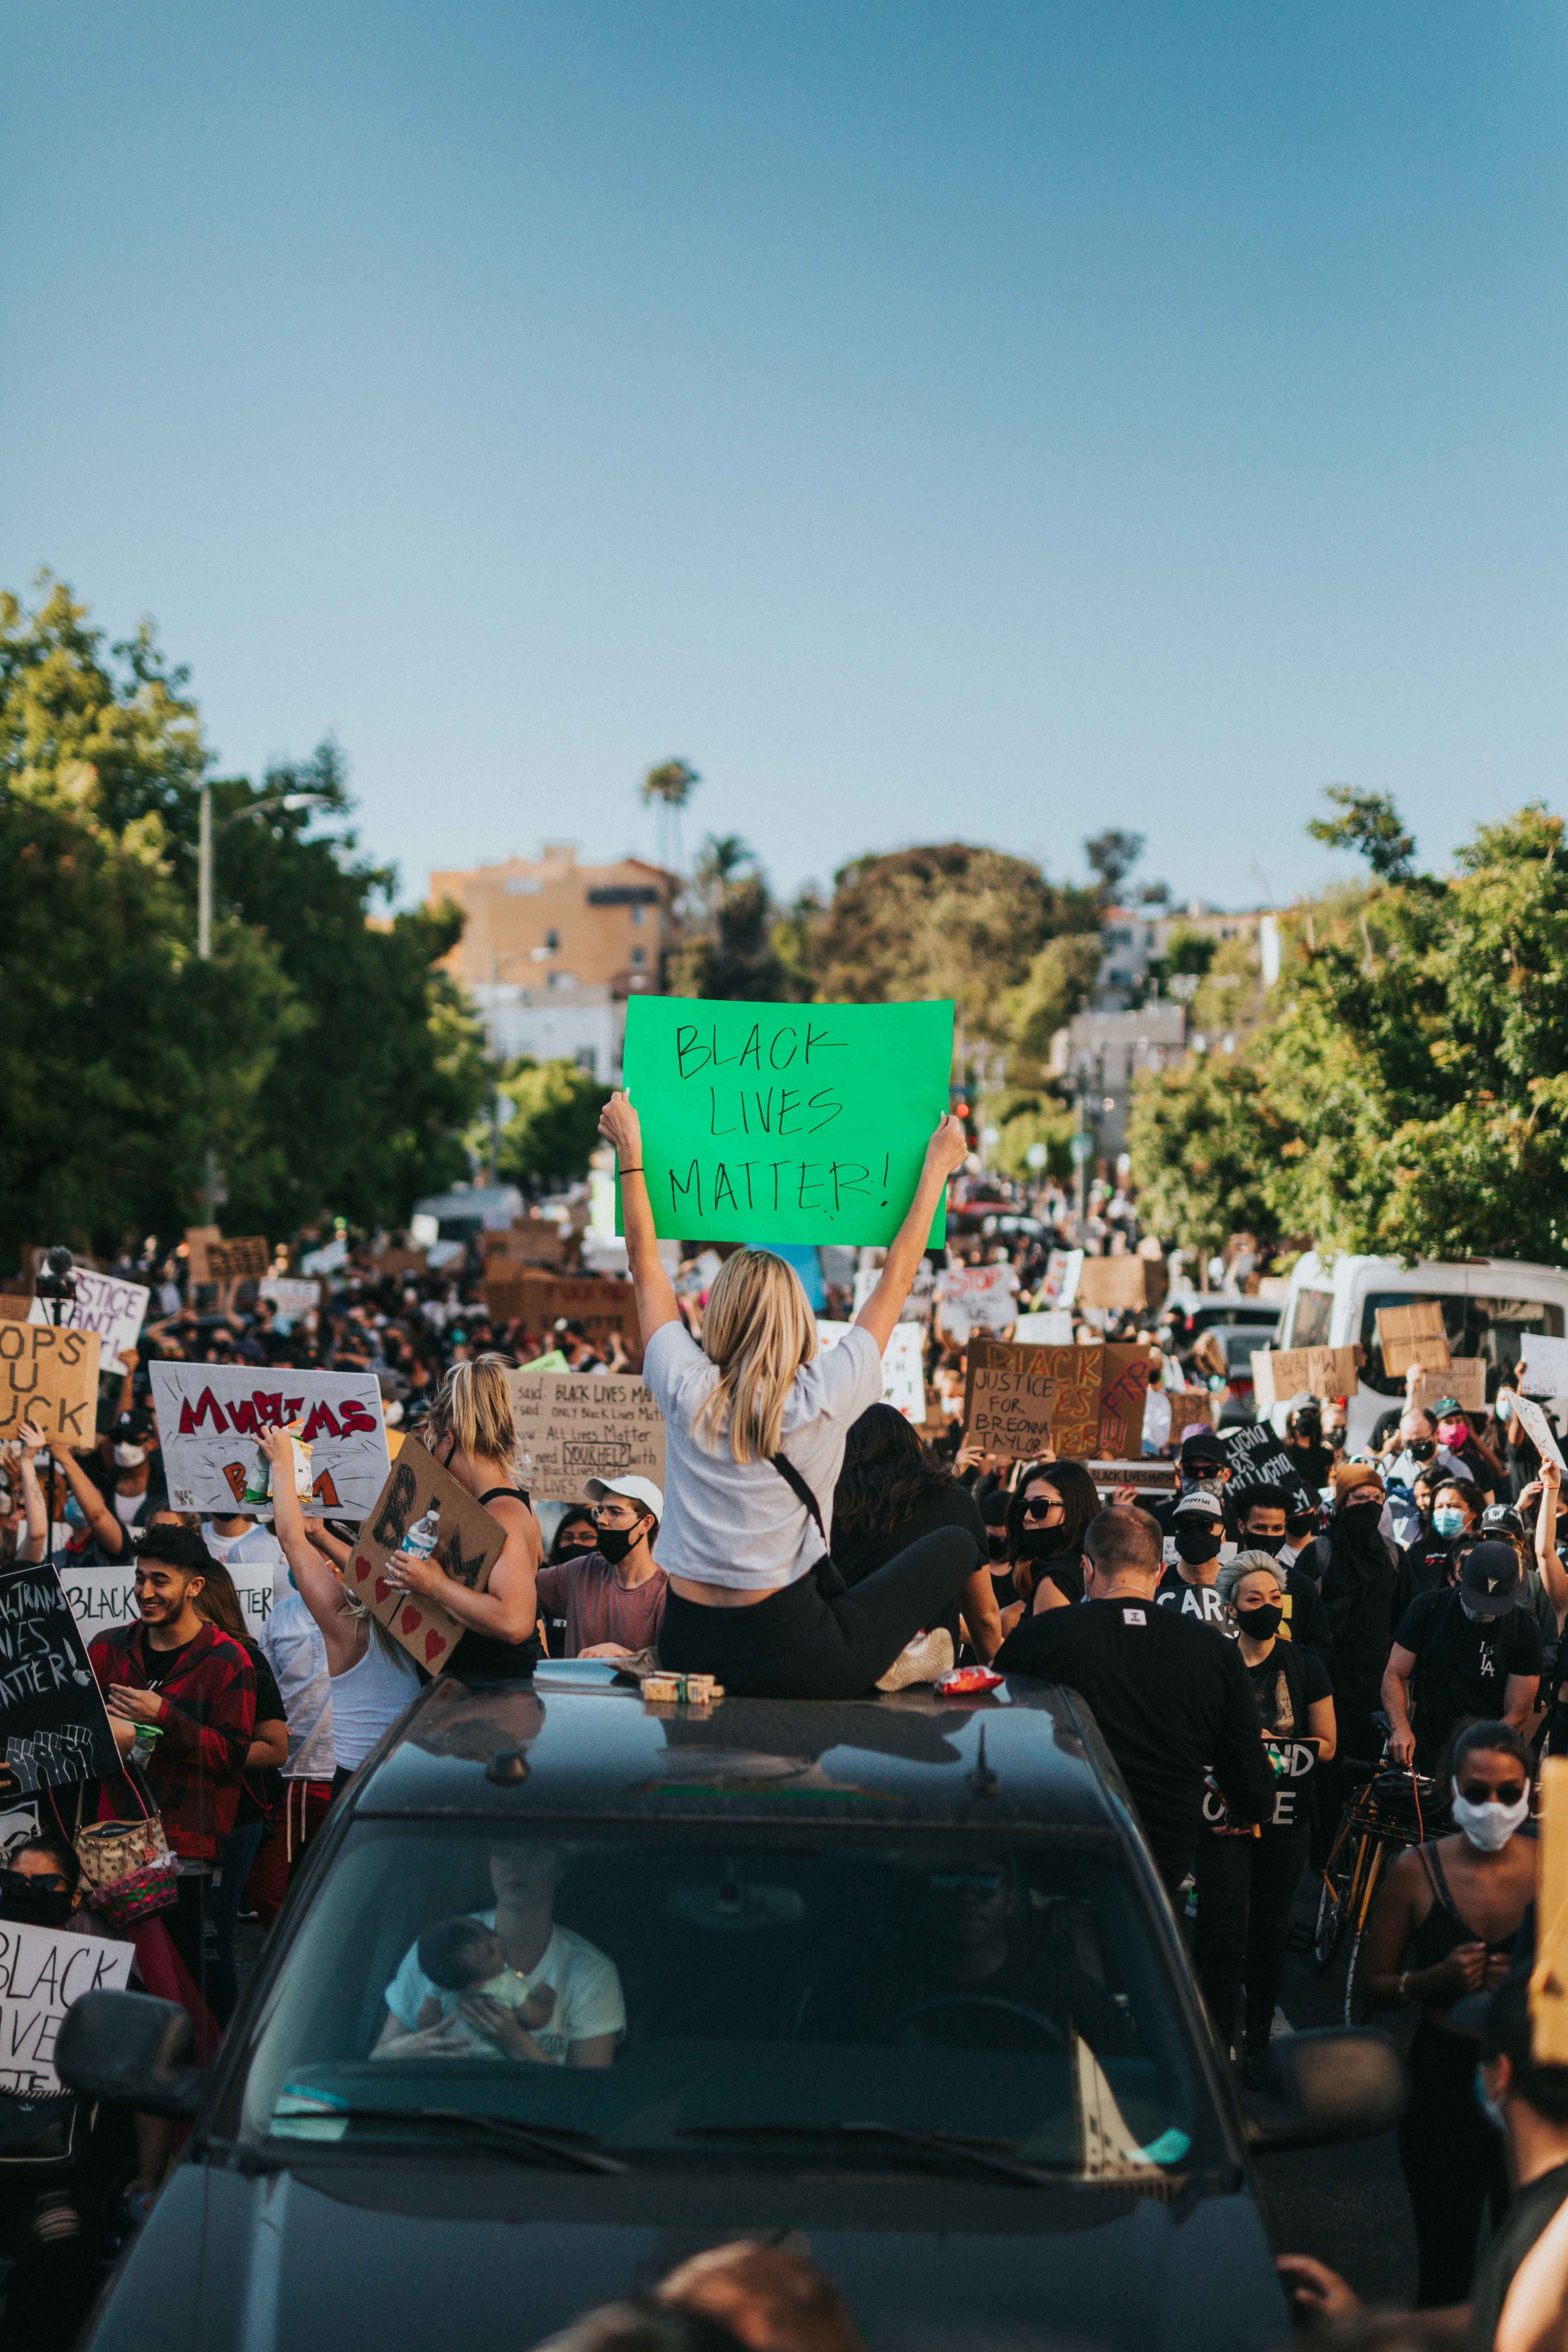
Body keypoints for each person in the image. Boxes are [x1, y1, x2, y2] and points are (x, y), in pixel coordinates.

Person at [603, 1087, 980, 1698]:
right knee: (958, 1541)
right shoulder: (827, 1391)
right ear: (799, 1321)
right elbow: (898, 1275)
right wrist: (937, 1168)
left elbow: (645, 1261)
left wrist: (631, 1150)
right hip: (797, 1655)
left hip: (686, 1648)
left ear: (717, 1316)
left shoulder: (683, 1382)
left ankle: (888, 1653)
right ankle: (894, 1656)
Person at [993, 1505, 1276, 1899]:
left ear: (1087, 1570)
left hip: (1059, 1841)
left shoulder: (1038, 1636)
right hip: (1159, 1859)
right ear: (1160, 1573)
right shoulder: (1214, 1650)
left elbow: (997, 1743)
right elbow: (1251, 1784)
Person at [1357, 1720, 1539, 2308]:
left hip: (1530, 2084)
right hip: (1442, 2080)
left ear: (1529, 1792)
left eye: (1508, 1793)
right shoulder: (1415, 1871)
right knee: (1445, 2270)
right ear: (1452, 1788)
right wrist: (1428, 1981)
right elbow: (1375, 1988)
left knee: (1530, 2275)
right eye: (1477, 1791)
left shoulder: (1554, 1871)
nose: (1493, 1807)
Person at [87, 1525, 256, 2003]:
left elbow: (231, 1757)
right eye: (140, 1578)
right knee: (116, 1986)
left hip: (184, 1851)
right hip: (109, 1848)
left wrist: (162, 1718)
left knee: (177, 1994)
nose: (145, 1592)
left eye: (159, 1581)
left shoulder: (228, 1660)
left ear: (195, 1586)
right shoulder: (106, 1648)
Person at [1192, 1557, 1335, 2086]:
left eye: (1275, 1599)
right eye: (1255, 1601)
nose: (1268, 1608)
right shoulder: (1212, 1663)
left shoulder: (1306, 1666)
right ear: (1231, 1609)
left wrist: (1282, 1748)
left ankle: (1257, 2040)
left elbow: (1328, 1745)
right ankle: (1215, 2041)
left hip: (1285, 1818)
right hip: (1225, 1817)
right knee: (1223, 1933)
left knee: (1270, 1934)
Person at [261, 1425, 422, 1783]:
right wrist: (320, 1534)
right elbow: (376, 1576)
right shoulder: (433, 1626)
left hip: (355, 1784)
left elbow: (290, 1539)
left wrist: (283, 1462)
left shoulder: (345, 1626)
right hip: (416, 1780)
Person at [374, 1843, 624, 2066]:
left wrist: (515, 2041)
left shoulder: (591, 1972)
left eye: (532, 1853)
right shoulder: (438, 1948)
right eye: (503, 1853)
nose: (515, 1865)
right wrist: (401, 2058)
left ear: (559, 1869)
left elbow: (585, 2097)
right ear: (490, 1865)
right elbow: (379, 2057)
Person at [380, 1355, 544, 1680]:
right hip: (478, 1701)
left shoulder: (503, 1513)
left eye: (434, 1444)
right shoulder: (498, 1505)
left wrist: (436, 1585)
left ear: (449, 1439)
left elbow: (515, 1622)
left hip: (493, 1706)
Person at [187, 1561, 288, 2023]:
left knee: (212, 1938)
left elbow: (276, 1749)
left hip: (234, 1817)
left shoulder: (245, 1658)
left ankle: (221, 2053)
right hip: (177, 1815)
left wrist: (193, 1747)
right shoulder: (162, 1654)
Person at [830, 1404, 1000, 1660]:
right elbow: (984, 1617)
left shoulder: (827, 1503)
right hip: (930, 1676)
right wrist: (1002, 1683)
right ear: (914, 1446)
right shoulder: (953, 1502)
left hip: (842, 1663)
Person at [1382, 1540, 1543, 1774]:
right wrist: (1400, 1727)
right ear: (1462, 1575)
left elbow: (1517, 1715)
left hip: (1488, 1754)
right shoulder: (1429, 1607)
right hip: (1426, 1746)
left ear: (1516, 1586)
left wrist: (1477, 1756)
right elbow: (1395, 1674)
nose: (1481, 1610)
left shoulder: (1525, 1631)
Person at [248, 1544, 336, 1922]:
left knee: (335, 1890)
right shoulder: (280, 1617)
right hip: (289, 1773)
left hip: (344, 1773)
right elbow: (264, 1688)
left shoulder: (365, 1612)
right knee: (269, 1895)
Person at [375, 1913, 563, 2061]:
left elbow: (427, 2019)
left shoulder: (439, 1984)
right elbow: (535, 2019)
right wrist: (547, 1999)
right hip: (495, 2067)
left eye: (490, 1932)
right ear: (476, 1986)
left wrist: (438, 2035)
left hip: (454, 2063)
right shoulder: (506, 1984)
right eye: (491, 1951)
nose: (499, 1941)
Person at [1317, 1462, 1401, 1770]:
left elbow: (1407, 1623)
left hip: (1379, 1690)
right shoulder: (1321, 1552)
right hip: (1329, 1688)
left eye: (1376, 1497)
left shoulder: (1393, 1555)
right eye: (1359, 1497)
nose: (1369, 1505)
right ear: (1342, 1504)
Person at [535, 1475, 669, 1658]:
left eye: (615, 1512)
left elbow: (677, 1668)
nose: (601, 1520)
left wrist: (622, 1654)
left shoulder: (667, 1594)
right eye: (601, 1511)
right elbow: (521, 1588)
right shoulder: (582, 1571)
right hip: (574, 1688)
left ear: (646, 1524)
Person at [1230, 1482, 1333, 1667]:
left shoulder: (1302, 1586)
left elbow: (1321, 1648)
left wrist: (1293, 1657)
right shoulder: (1222, 1579)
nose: (1269, 1535)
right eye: (1260, 1528)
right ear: (1241, 1526)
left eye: (1277, 1529)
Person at [1000, 1459, 1099, 1617]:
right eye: (1022, 1507)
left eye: (1040, 1507)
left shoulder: (1058, 1580)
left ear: (1078, 1512)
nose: (1027, 1517)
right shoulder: (1104, 1566)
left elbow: (1047, 1641)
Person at [1155, 1489, 1230, 1628]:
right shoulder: (1157, 1583)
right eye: (1184, 1525)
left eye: (1206, 1525)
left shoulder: (1238, 1585)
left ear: (1224, 1535)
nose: (1194, 1532)